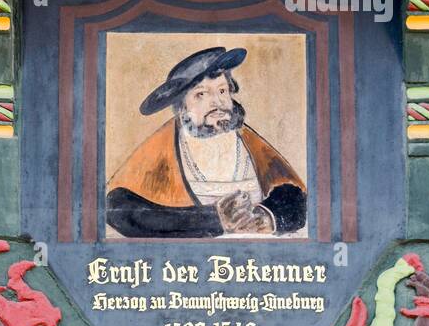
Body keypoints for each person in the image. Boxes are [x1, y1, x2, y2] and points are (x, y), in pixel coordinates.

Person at [106, 46, 307, 239]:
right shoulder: (162, 146)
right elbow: (120, 210)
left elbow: (296, 195)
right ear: (182, 107)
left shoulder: (248, 140)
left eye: (222, 91)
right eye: (201, 94)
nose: (218, 103)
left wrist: (268, 216)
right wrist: (213, 220)